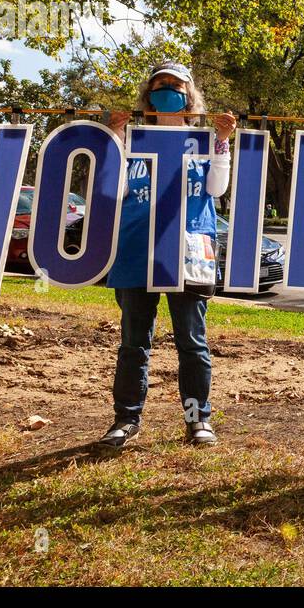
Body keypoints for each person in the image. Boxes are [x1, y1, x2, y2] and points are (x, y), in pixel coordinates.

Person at [98, 62, 236, 448]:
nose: (167, 91)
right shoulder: (132, 140)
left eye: (176, 86)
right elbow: (118, 190)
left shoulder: (204, 140)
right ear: (149, 95)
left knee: (192, 342)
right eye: (160, 85)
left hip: (189, 253)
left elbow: (216, 189)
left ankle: (198, 420)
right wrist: (115, 135)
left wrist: (223, 141)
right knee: (133, 343)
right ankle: (125, 420)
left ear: (189, 97)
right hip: (136, 249)